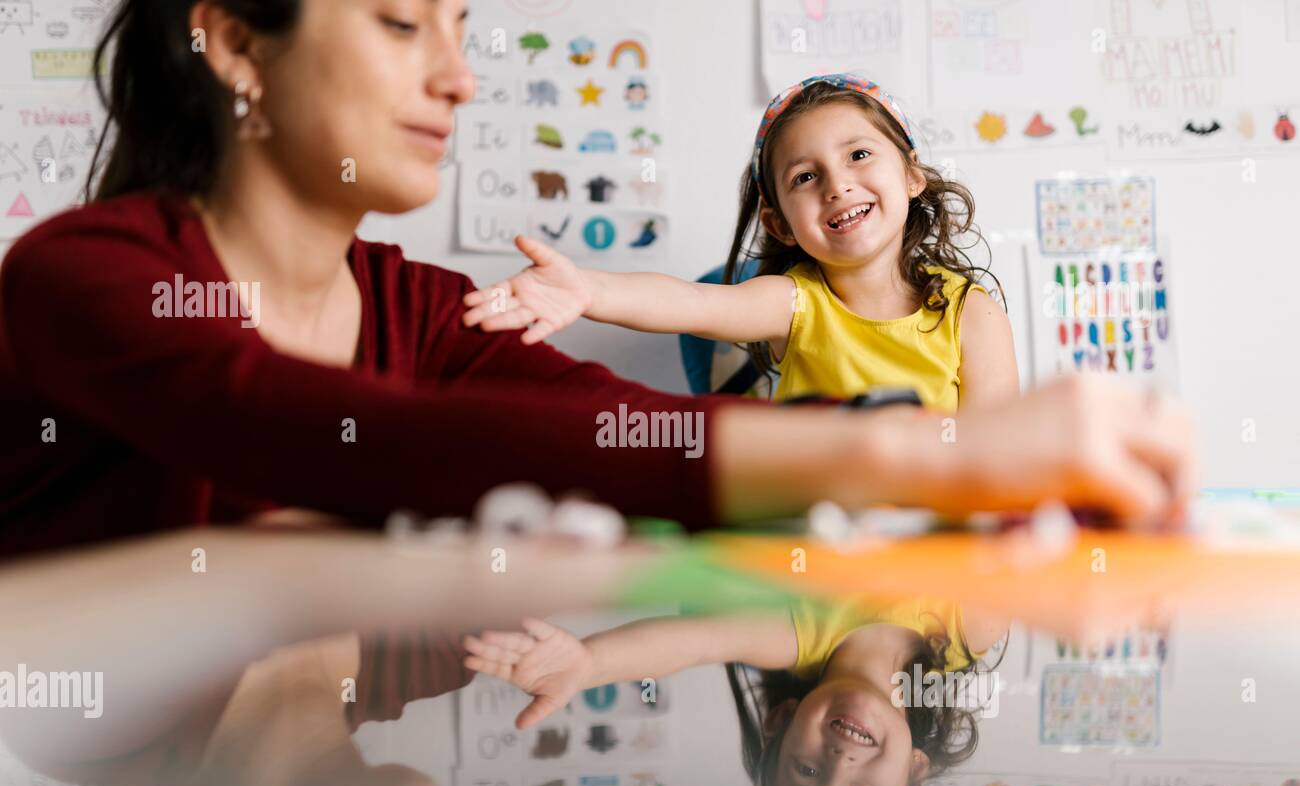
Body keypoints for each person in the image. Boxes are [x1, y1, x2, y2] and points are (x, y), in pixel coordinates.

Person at [0, 1, 1193, 562]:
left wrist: (935, 464)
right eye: (401, 24)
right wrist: (910, 452)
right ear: (233, 41)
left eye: (462, 25)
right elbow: (306, 427)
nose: (462, 78)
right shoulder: (82, 275)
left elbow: (634, 432)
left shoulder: (414, 308)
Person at [463, 73, 1019, 411]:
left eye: (858, 154)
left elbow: (999, 454)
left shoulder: (970, 313)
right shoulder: (794, 301)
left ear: (912, 177)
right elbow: (690, 303)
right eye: (806, 176)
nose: (837, 184)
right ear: (779, 224)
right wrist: (585, 287)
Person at [462, 599, 1007, 786]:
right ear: (916, 769)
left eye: (807, 769)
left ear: (780, 719)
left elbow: (694, 643)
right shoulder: (971, 626)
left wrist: (588, 665)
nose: (840, 762)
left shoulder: (796, 633)